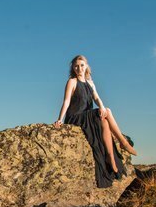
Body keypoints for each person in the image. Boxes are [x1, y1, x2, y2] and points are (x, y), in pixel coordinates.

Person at [54, 55, 137, 188]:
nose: (79, 68)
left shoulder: (90, 83)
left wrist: (102, 107)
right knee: (108, 112)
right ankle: (123, 142)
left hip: (89, 115)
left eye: (81, 65)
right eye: (76, 66)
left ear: (86, 66)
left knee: (104, 118)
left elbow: (97, 98)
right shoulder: (72, 81)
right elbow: (67, 101)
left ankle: (110, 157)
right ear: (73, 68)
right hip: (76, 116)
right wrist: (60, 119)